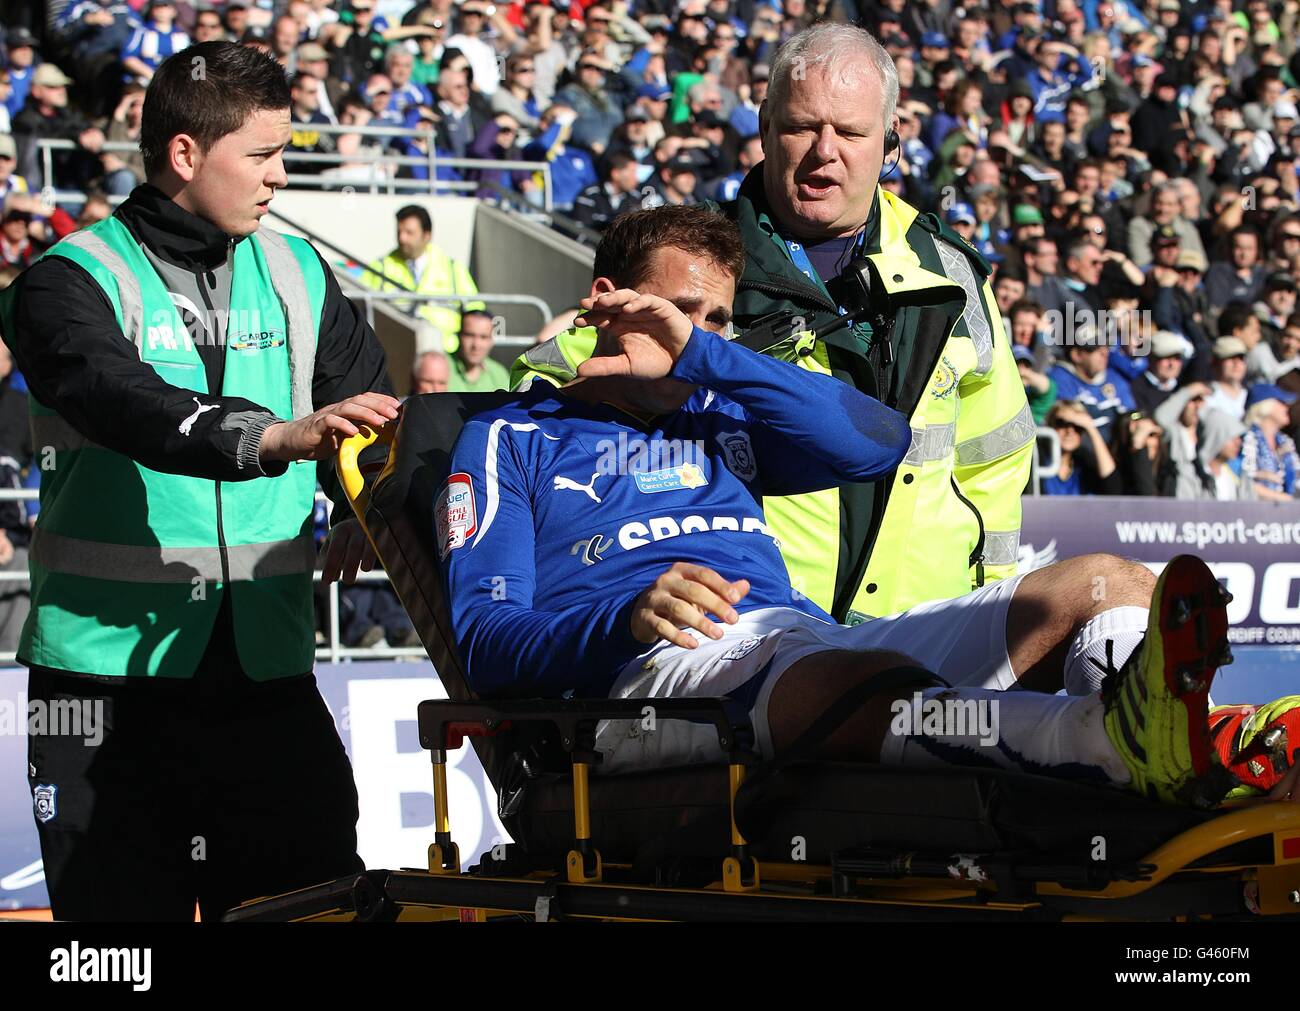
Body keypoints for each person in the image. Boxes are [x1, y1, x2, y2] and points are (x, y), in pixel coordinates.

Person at [443, 205, 1298, 809]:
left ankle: (1177, 731)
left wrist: (711, 356)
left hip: (800, 641)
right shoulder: (512, 436)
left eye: (714, 317)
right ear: (606, 298)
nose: (690, 331)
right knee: (859, 684)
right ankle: (1134, 745)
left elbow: (876, 440)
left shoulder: (719, 407)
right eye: (675, 310)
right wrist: (626, 618)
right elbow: (484, 638)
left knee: (1102, 581)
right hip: (651, 684)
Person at [0, 41, 401, 923]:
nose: (280, 176)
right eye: (260, 155)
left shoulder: (300, 270)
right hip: (103, 690)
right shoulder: (65, 281)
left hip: (267, 681)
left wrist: (370, 506)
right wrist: (276, 436)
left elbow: (370, 418)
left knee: (308, 914)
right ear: (185, 155)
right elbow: (125, 403)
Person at [511, 25, 1035, 624]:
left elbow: (997, 455)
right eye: (801, 127)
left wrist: (989, 599)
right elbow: (556, 381)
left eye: (852, 132)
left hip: (933, 625)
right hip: (752, 632)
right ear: (763, 127)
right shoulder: (695, 261)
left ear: (892, 141)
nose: (824, 151)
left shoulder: (949, 270)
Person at [359, 203, 483, 354]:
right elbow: (359, 307)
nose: (402, 238)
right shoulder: (380, 266)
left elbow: (475, 311)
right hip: (394, 352)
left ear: (427, 236)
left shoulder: (453, 267)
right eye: (399, 232)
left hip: (445, 355)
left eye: (409, 233)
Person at [1241, 385, 1299, 500]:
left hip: (1290, 513)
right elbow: (1244, 480)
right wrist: (1283, 499)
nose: (1287, 407)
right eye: (1282, 402)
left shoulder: (1285, 442)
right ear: (1265, 406)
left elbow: (1297, 475)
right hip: (1257, 513)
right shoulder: (1247, 438)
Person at [448, 309, 509, 392]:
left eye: (483, 337)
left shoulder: (499, 374)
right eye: (469, 335)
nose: (476, 345)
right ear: (459, 336)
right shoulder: (437, 366)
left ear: (491, 341)